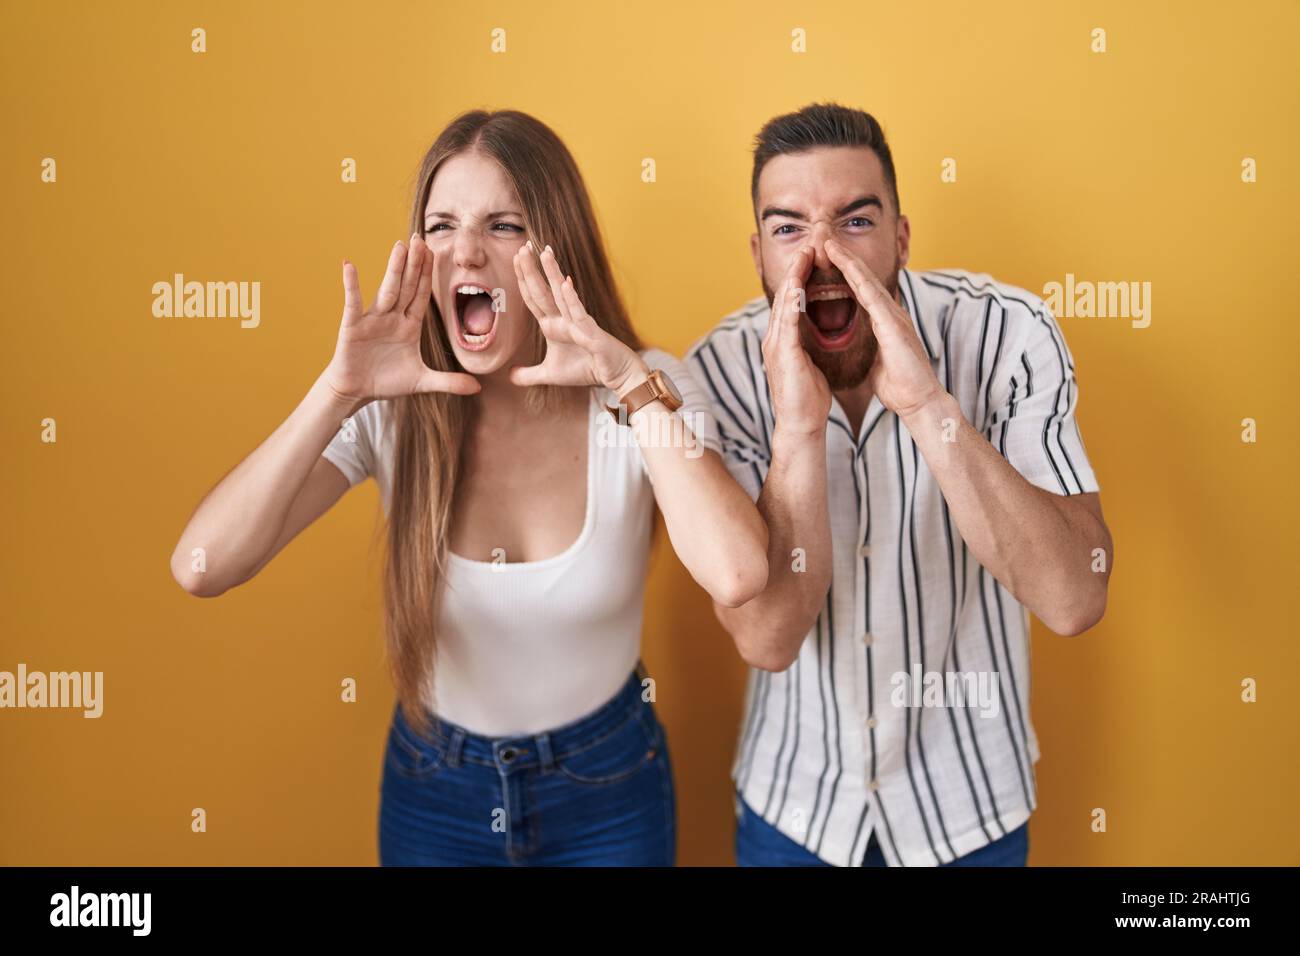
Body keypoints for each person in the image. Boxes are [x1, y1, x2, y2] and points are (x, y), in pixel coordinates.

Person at [169, 109, 768, 866]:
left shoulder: (643, 385)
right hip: (437, 790)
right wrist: (337, 392)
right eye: (442, 225)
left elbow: (739, 573)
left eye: (504, 225)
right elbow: (200, 567)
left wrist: (627, 383)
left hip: (609, 789)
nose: (466, 254)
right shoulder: (390, 408)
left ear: (556, 248)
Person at [686, 102, 1114, 866]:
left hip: (970, 805)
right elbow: (768, 637)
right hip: (796, 809)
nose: (820, 259)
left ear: (902, 236)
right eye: (789, 230)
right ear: (757, 252)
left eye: (854, 221)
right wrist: (798, 433)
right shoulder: (716, 371)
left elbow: (1075, 597)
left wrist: (927, 406)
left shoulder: (1010, 332)